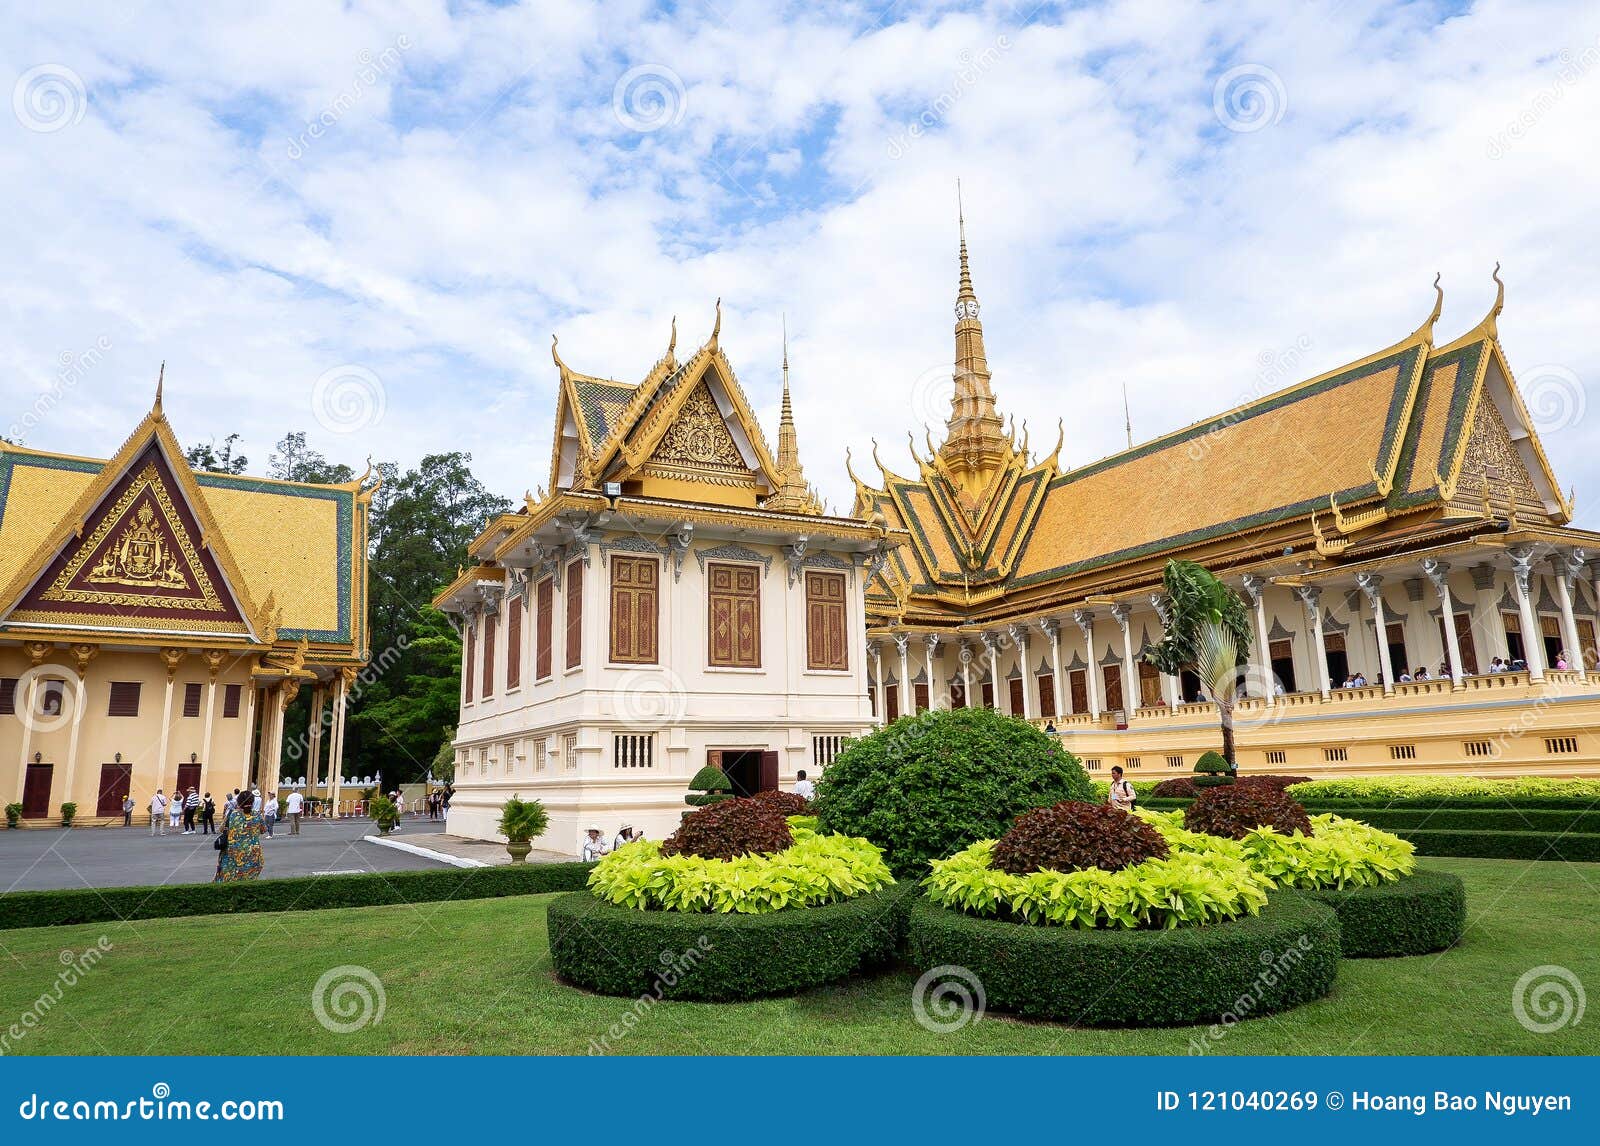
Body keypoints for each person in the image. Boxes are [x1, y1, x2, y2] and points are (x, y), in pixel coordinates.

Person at [214, 789, 265, 882]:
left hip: (233, 853)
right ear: (253, 802)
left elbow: (221, 829)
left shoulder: (233, 814)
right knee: (248, 881)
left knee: (228, 880)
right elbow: (263, 830)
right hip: (253, 853)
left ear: (239, 801)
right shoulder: (257, 815)